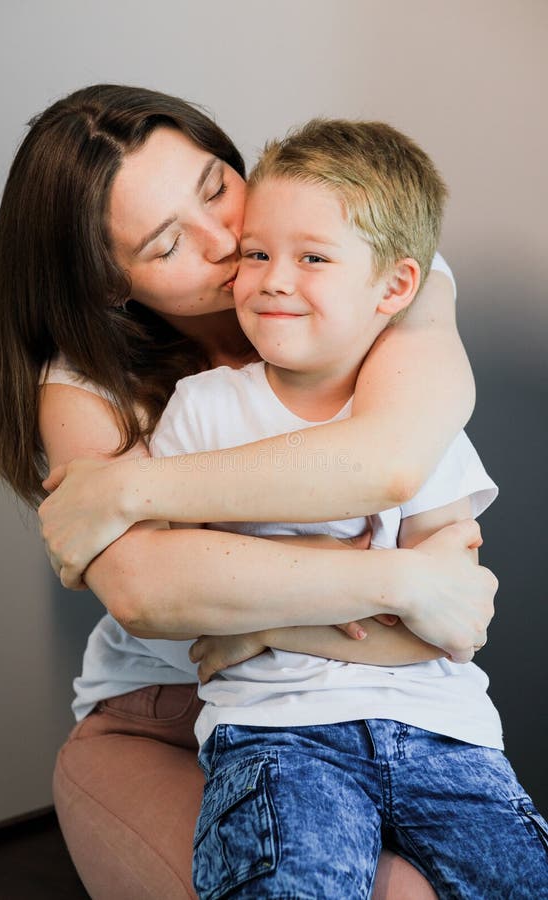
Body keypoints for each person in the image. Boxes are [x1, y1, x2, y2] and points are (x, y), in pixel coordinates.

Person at [0, 85, 497, 900]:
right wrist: (404, 581)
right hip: (168, 717)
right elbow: (148, 591)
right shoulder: (85, 388)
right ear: (111, 283)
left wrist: (136, 491)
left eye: (216, 187)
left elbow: (384, 461)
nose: (224, 241)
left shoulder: (362, 264)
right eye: (169, 242)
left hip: (371, 695)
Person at [139, 119, 548, 899]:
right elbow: (191, 602)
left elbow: (450, 628)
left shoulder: (414, 420)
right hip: (275, 735)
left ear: (395, 287)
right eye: (256, 253)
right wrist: (380, 581)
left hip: (446, 733)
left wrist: (271, 623)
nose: (274, 279)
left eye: (313, 258)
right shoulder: (200, 411)